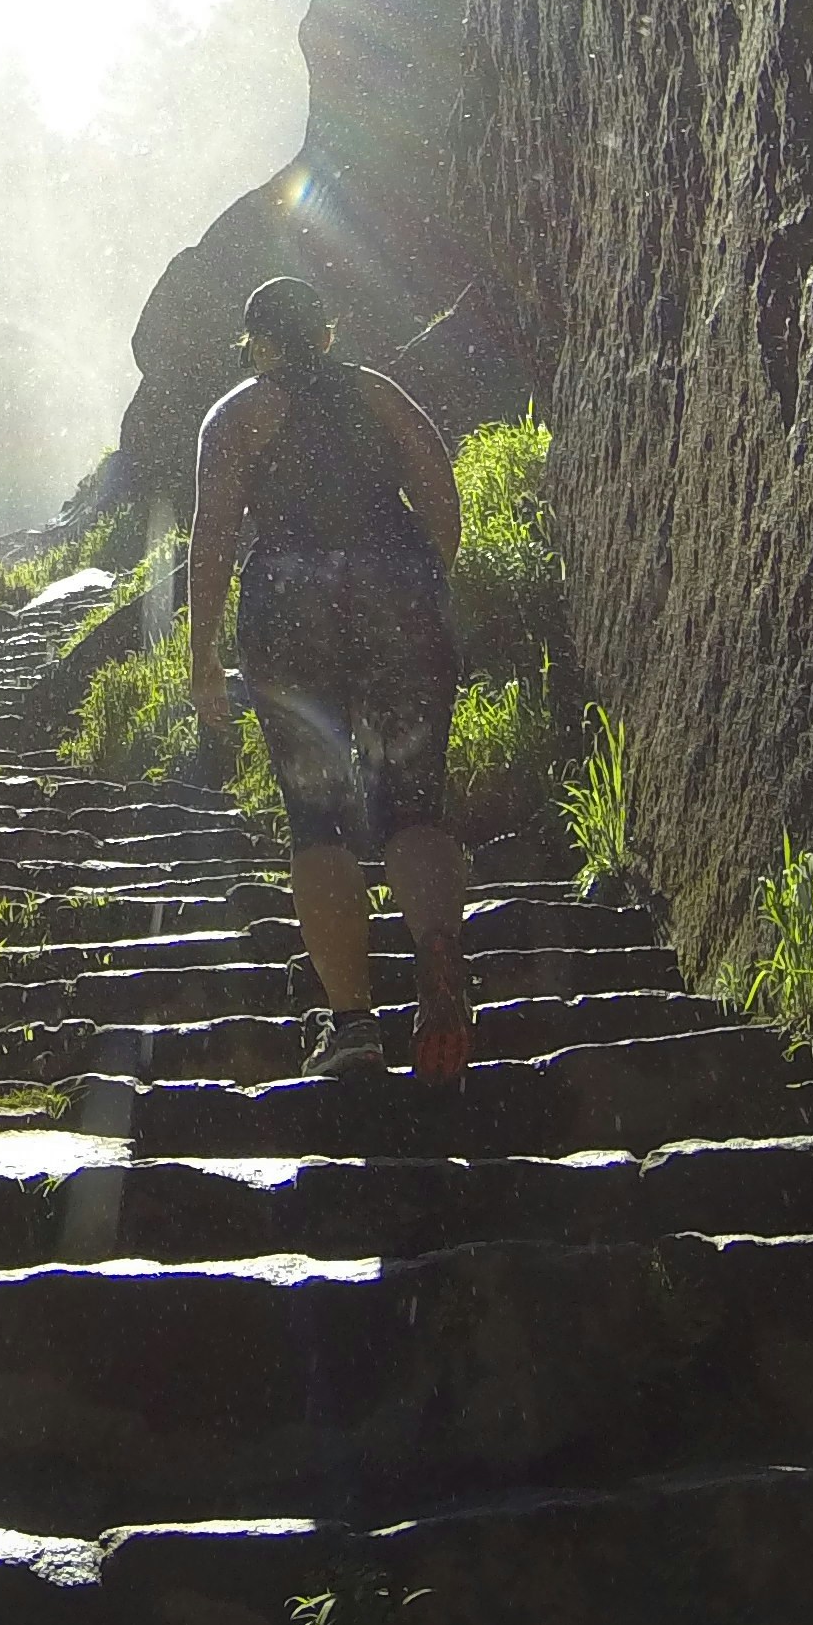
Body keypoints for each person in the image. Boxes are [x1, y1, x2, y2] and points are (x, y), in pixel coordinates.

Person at [186, 272, 472, 1085]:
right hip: (400, 588)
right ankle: (439, 950)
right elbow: (439, 491)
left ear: (260, 344)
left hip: (288, 608)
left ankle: (353, 1025)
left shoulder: (238, 415)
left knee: (318, 819)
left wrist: (203, 653)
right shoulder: (377, 393)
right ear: (328, 333)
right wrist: (423, 584)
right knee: (413, 804)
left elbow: (212, 536)